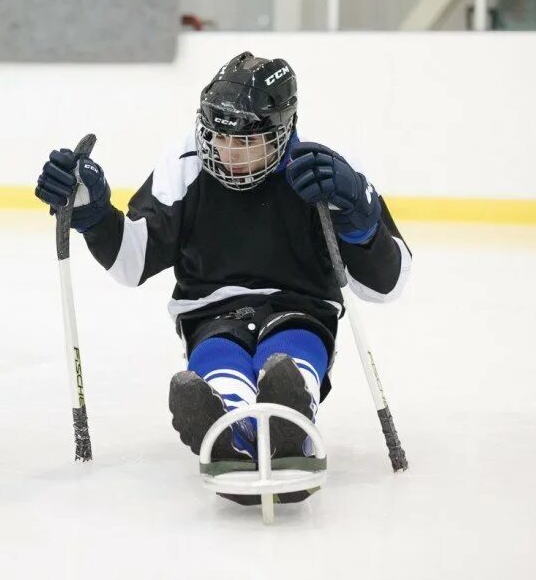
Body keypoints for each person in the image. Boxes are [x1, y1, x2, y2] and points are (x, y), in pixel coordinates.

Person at [35, 51, 410, 503]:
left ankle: (289, 419)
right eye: (218, 135)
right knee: (219, 354)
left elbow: (386, 284)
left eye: (246, 141)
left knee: (288, 354)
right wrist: (94, 215)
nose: (227, 151)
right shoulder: (186, 163)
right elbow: (133, 261)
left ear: (283, 129)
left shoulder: (321, 173)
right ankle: (235, 430)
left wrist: (360, 217)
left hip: (301, 307)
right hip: (211, 313)